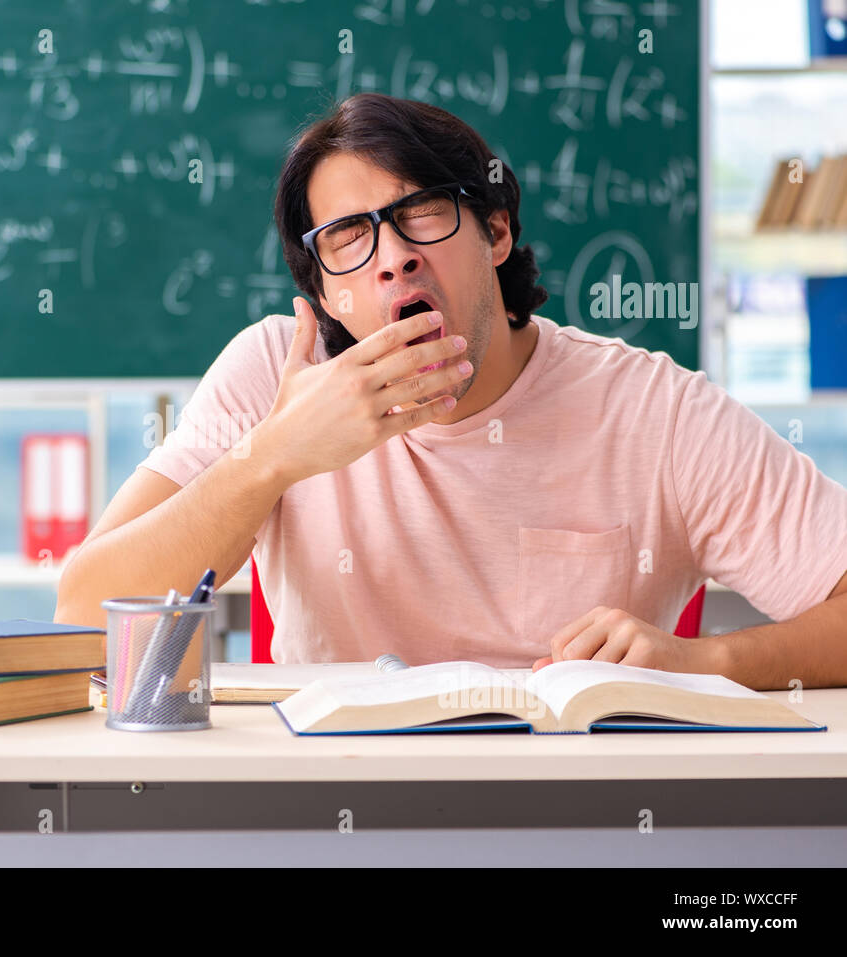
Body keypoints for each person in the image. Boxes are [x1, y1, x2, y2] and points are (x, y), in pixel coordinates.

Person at [54, 93, 847, 690]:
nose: (392, 258)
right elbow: (85, 614)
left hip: (580, 821)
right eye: (349, 238)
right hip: (337, 815)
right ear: (327, 293)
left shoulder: (656, 410)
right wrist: (270, 459)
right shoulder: (272, 374)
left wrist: (704, 663)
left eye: (422, 213)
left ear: (496, 232)